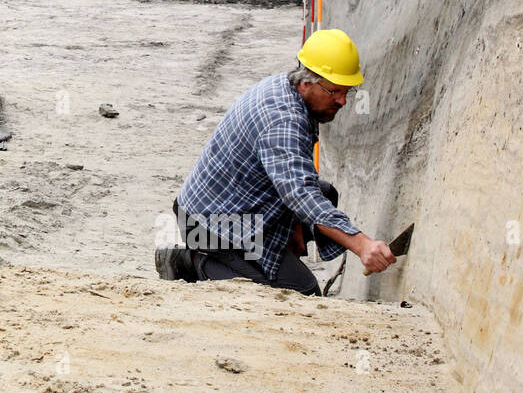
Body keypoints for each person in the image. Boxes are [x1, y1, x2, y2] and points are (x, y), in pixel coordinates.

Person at [156, 29, 396, 296]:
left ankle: (262, 258)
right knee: (302, 293)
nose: (342, 100)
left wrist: (293, 226)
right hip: (210, 225)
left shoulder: (287, 87)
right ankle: (191, 261)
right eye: (335, 92)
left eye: (347, 92)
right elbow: (301, 195)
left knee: (325, 193)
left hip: (235, 208)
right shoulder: (283, 122)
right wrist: (362, 245)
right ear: (307, 82)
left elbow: (295, 180)